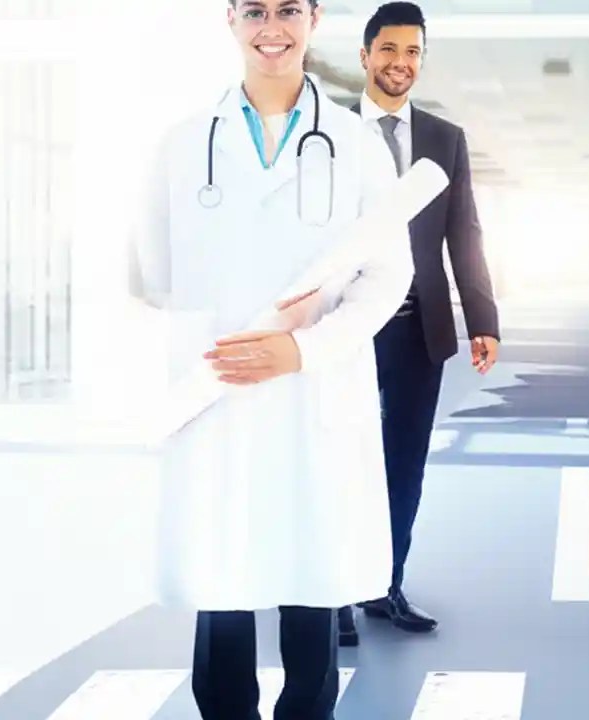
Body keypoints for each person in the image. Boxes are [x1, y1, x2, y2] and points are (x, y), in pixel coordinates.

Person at [127, 1, 412, 716]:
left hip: (311, 385)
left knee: (308, 570)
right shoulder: (185, 143)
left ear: (314, 19)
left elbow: (388, 275)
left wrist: (302, 348)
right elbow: (150, 273)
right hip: (218, 387)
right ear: (230, 20)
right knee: (220, 573)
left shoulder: (355, 143)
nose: (271, 26)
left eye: (289, 9)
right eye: (254, 9)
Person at [337, 0, 500, 645]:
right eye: (389, 50)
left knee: (404, 464)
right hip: (345, 328)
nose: (400, 64)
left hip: (416, 326)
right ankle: (332, 598)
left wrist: (482, 316)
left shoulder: (443, 138)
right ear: (365, 55)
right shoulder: (329, 130)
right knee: (343, 458)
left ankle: (385, 584)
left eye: (413, 53)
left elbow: (464, 232)